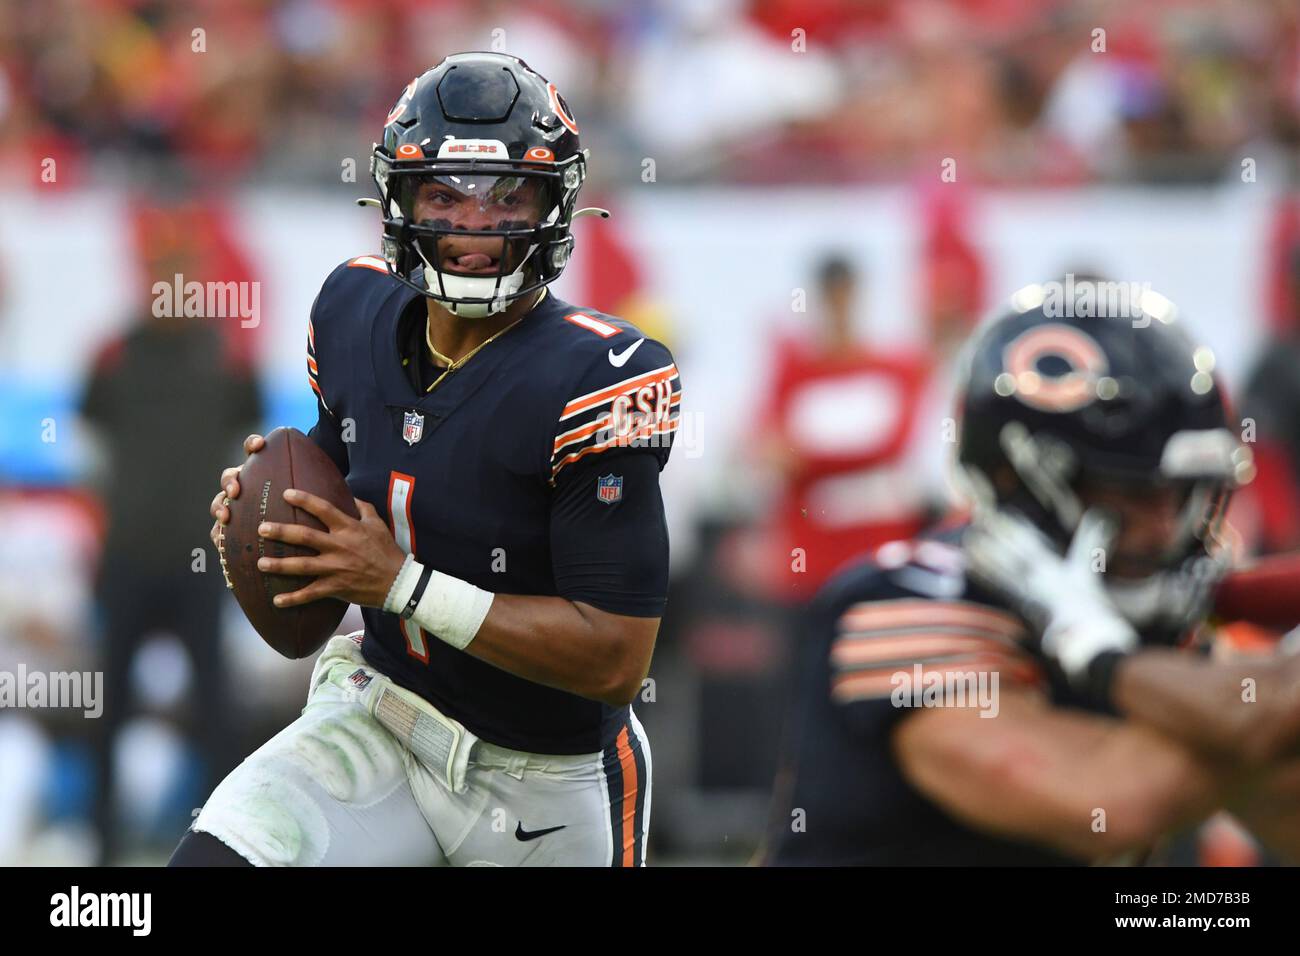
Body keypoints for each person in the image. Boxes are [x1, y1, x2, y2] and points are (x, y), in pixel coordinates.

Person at [170, 53, 681, 867]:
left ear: (557, 204)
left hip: (541, 781)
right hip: (381, 718)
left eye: (508, 196)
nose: (475, 225)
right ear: (399, 201)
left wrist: (399, 584)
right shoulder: (352, 309)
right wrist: (281, 525)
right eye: (445, 195)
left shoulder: (602, 376)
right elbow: (341, 485)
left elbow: (617, 657)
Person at [764, 280, 1300, 865]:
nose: (1164, 528)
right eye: (1133, 494)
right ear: (1017, 480)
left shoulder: (1138, 622)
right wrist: (1108, 660)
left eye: (1185, 497)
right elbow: (1110, 801)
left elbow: (1278, 771)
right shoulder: (907, 600)